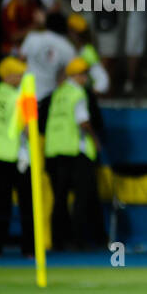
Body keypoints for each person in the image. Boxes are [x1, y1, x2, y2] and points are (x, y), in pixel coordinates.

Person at [43, 58, 101, 251]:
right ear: (76, 75)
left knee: (59, 198)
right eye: (83, 74)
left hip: (54, 150)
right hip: (75, 150)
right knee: (81, 198)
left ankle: (58, 240)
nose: (85, 78)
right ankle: (78, 240)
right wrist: (95, 139)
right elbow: (83, 121)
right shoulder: (78, 93)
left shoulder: (58, 93)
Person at [0, 57, 33, 258]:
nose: (21, 79)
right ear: (7, 76)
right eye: (18, 75)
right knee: (26, 204)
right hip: (18, 155)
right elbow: (28, 129)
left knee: (0, 204)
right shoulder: (21, 97)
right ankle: (29, 249)